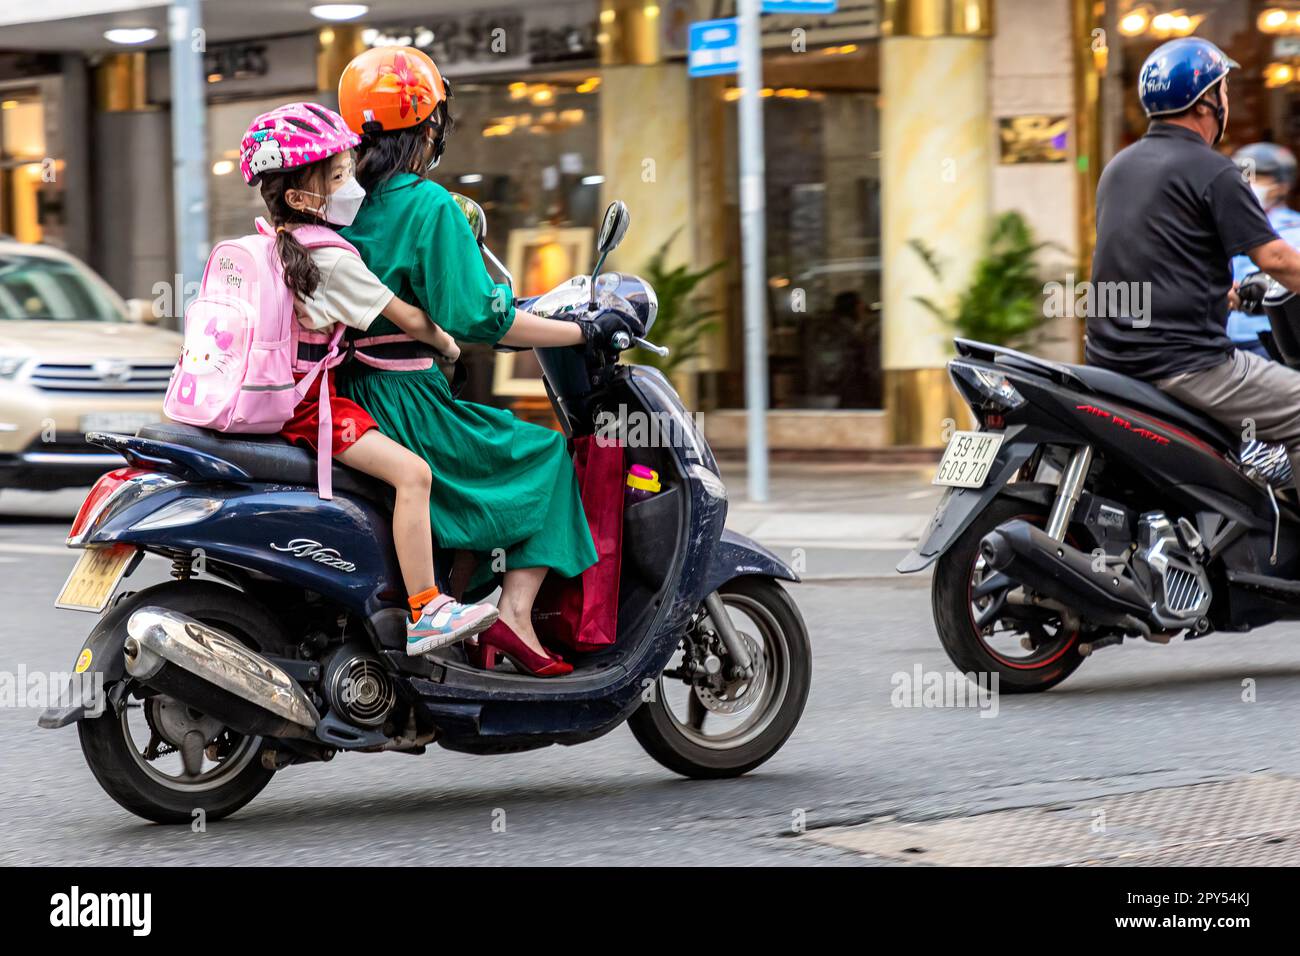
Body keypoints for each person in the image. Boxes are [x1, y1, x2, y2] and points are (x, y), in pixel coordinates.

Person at [333, 48, 636, 678]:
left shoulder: (342, 205)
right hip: (405, 403)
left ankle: (459, 607)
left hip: (350, 396)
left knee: (485, 452)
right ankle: (515, 615)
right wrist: (579, 333)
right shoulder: (429, 206)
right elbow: (480, 318)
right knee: (545, 456)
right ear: (428, 124)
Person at [239, 102, 498, 655]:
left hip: (288, 396)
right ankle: (428, 608)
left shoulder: (273, 241)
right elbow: (405, 316)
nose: (352, 184)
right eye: (338, 176)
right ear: (301, 197)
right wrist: (449, 344)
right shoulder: (331, 257)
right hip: (313, 405)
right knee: (413, 476)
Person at [1085, 37, 1300, 493]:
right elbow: (1276, 258)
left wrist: (1220, 294)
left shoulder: (1118, 168)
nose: (1227, 98)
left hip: (1114, 360)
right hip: (1187, 364)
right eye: (1224, 88)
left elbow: (1150, 257)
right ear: (1206, 103)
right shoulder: (1214, 171)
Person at [1227, 142, 1300, 357]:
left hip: (1271, 343)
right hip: (1221, 342)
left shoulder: (1295, 229)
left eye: (1257, 176)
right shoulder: (1221, 225)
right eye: (1242, 176)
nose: (1247, 182)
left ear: (1282, 184)